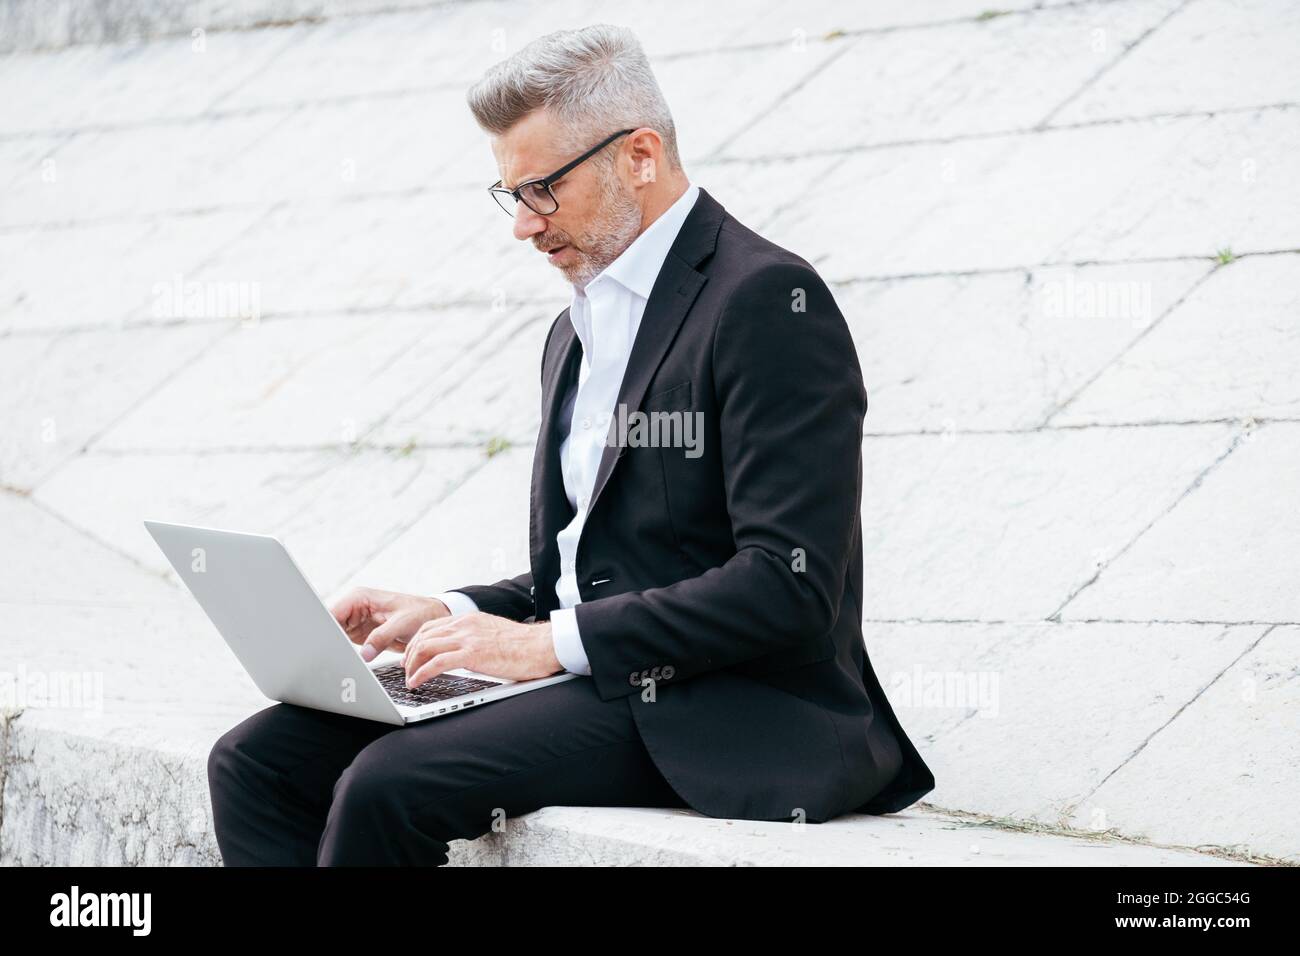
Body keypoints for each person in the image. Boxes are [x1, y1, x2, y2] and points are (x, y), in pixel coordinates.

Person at [207, 22, 934, 867]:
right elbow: (586, 568)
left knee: (388, 780)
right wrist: (454, 611)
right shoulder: (573, 326)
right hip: (601, 679)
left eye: (542, 188)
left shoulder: (768, 301)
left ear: (639, 156)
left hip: (730, 704)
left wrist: (540, 645)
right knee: (253, 762)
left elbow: (788, 585)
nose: (523, 223)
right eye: (510, 194)